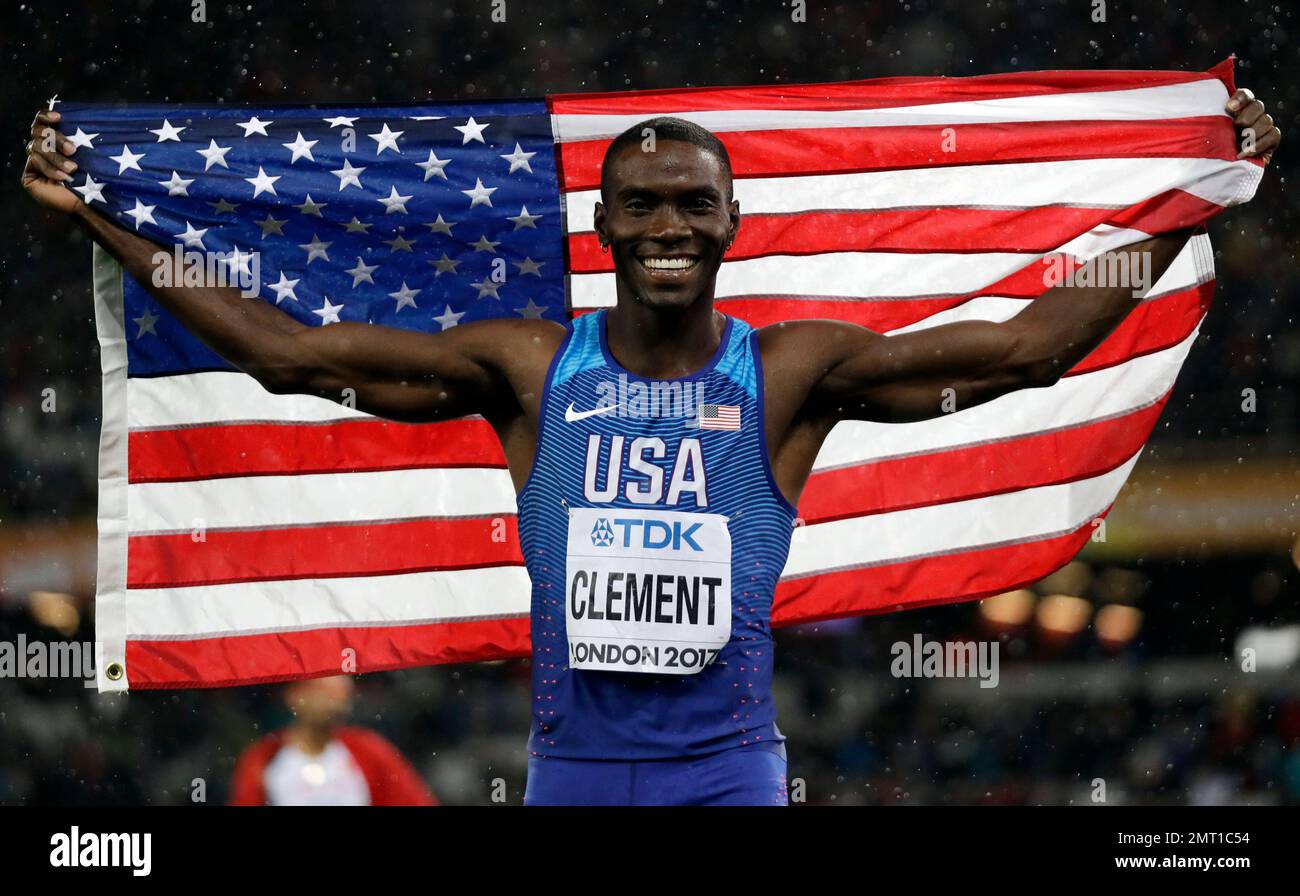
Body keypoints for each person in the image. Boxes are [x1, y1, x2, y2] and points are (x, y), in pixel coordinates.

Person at [22, 89, 1279, 805]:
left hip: (731, 776)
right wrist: (111, 222)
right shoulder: (528, 366)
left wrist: (1181, 208)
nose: (667, 223)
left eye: (692, 203)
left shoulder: (788, 371)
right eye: (642, 204)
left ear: (730, 223)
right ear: (602, 222)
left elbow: (1024, 350)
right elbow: (293, 353)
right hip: (570, 776)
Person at [229, 675, 437, 806]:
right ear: (294, 696)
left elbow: (413, 800)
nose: (332, 704)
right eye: (322, 693)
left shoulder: (369, 750)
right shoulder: (264, 758)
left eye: (340, 696)